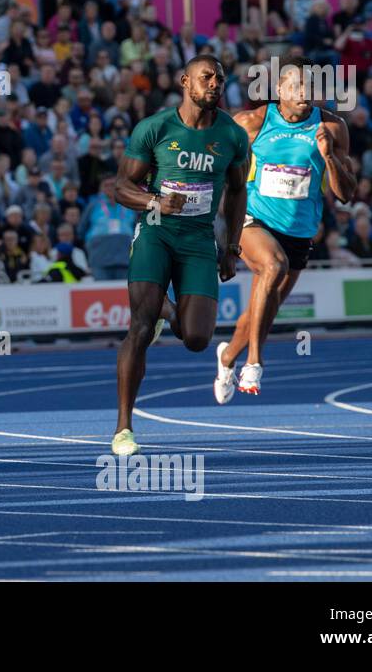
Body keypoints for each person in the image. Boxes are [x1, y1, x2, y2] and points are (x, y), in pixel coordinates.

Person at [110, 56, 249, 456]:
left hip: (199, 240)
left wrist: (232, 248)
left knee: (197, 339)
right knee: (138, 326)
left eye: (220, 79)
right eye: (207, 77)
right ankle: (123, 428)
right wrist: (155, 200)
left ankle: (167, 314)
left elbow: (238, 192)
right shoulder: (155, 128)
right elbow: (120, 187)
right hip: (156, 232)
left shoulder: (233, 136)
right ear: (185, 82)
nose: (215, 84)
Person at [214, 57, 356, 400]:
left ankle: (228, 356)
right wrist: (223, 227)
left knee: (265, 307)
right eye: (296, 87)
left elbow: (346, 193)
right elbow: (221, 176)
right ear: (279, 90)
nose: (304, 94)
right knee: (272, 266)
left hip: (299, 231)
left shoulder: (332, 127)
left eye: (310, 88)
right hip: (253, 221)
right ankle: (254, 363)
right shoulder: (251, 122)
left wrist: (329, 158)